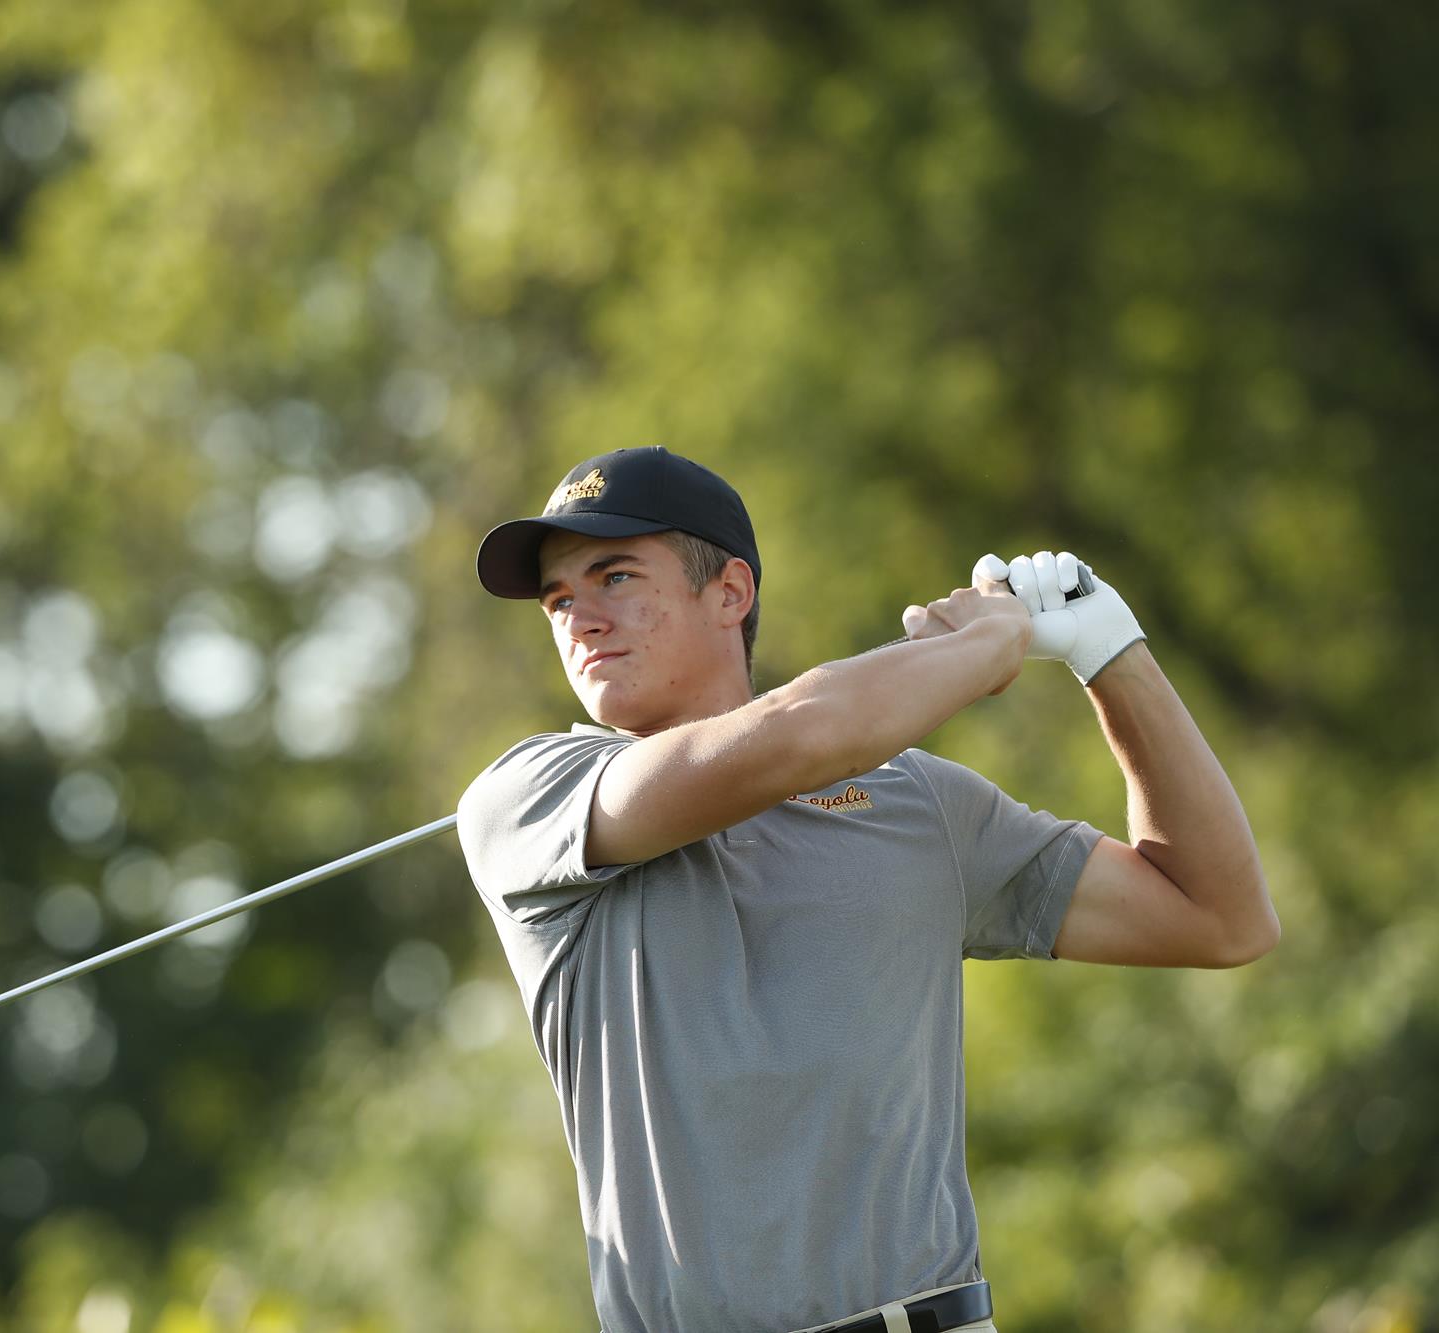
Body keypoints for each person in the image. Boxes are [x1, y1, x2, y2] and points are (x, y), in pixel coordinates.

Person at [456, 446, 1278, 1333]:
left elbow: (1219, 916)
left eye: (615, 575)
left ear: (730, 591)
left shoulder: (913, 798)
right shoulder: (532, 798)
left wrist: (1113, 656)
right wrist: (991, 642)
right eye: (559, 598)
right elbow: (807, 733)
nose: (580, 617)